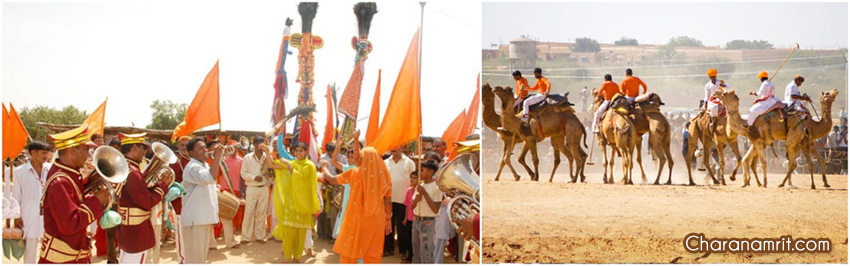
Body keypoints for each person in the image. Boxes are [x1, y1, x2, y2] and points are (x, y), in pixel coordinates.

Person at [39, 125, 109, 263]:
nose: (88, 155)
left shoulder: (67, 174)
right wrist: (96, 200)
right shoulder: (60, 182)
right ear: (72, 151)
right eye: (85, 150)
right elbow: (69, 225)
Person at [321, 130, 393, 263]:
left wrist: (324, 169)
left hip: (357, 217)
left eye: (359, 156)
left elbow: (332, 179)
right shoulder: (384, 177)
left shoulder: (354, 173)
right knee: (372, 250)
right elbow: (388, 200)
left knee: (352, 247)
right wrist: (388, 219)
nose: (356, 159)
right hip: (376, 219)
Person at [115, 133, 173, 264]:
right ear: (134, 147)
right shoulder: (133, 172)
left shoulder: (126, 168)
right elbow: (147, 202)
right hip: (137, 232)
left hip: (128, 229)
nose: (144, 152)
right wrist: (162, 185)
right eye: (142, 148)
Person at [263, 141, 319, 263]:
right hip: (291, 202)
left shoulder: (310, 165)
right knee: (288, 231)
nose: (298, 153)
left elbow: (299, 175)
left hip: (303, 204)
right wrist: (267, 152)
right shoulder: (293, 163)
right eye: (296, 151)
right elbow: (272, 165)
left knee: (300, 232)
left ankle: (297, 256)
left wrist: (288, 164)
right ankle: (287, 256)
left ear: (306, 152)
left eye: (301, 151)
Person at [180, 137, 223, 263]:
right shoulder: (193, 167)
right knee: (196, 260)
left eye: (205, 147)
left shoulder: (204, 165)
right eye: (200, 148)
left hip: (203, 219)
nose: (205, 150)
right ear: (191, 153)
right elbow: (210, 177)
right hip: (195, 220)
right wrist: (217, 157)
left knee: (201, 259)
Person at [11, 141, 52, 264]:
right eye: (43, 153)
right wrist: (17, 216)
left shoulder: (51, 169)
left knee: (50, 250)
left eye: (47, 153)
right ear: (33, 153)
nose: (46, 156)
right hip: (29, 216)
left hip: (49, 216)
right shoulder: (20, 171)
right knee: (30, 249)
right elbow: (16, 194)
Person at [384, 146, 416, 257]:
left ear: (401, 147)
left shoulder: (409, 163)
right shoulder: (385, 163)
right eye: (392, 146)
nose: (393, 148)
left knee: (403, 227)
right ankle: (388, 248)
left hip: (404, 200)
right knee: (388, 225)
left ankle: (404, 250)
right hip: (388, 199)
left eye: (396, 146)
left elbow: (414, 179)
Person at [411, 161, 442, 263]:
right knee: (416, 250)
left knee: (426, 251)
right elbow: (412, 206)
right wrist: (417, 199)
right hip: (416, 220)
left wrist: (424, 194)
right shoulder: (419, 186)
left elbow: (435, 209)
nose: (419, 173)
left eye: (422, 170)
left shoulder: (436, 188)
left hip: (427, 222)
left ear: (430, 172)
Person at [240, 136, 270, 244]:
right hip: (251, 187)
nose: (261, 146)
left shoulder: (268, 157)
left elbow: (272, 172)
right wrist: (253, 178)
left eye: (262, 143)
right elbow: (243, 173)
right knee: (249, 212)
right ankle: (246, 237)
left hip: (264, 187)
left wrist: (270, 176)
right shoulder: (247, 157)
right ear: (254, 145)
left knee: (262, 212)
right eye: (259, 143)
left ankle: (260, 236)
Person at [168, 135, 192, 263]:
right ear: (178, 146)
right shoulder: (174, 163)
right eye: (181, 145)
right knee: (181, 235)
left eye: (187, 145)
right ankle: (182, 261)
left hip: (194, 204)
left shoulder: (197, 161)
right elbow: (169, 184)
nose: (184, 148)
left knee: (194, 235)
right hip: (180, 204)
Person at [401, 171, 418, 262]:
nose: (412, 179)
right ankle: (410, 255)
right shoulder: (409, 190)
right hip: (409, 218)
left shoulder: (420, 191)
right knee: (408, 238)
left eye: (414, 178)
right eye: (411, 177)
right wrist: (405, 218)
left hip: (417, 218)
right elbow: (407, 205)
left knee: (415, 240)